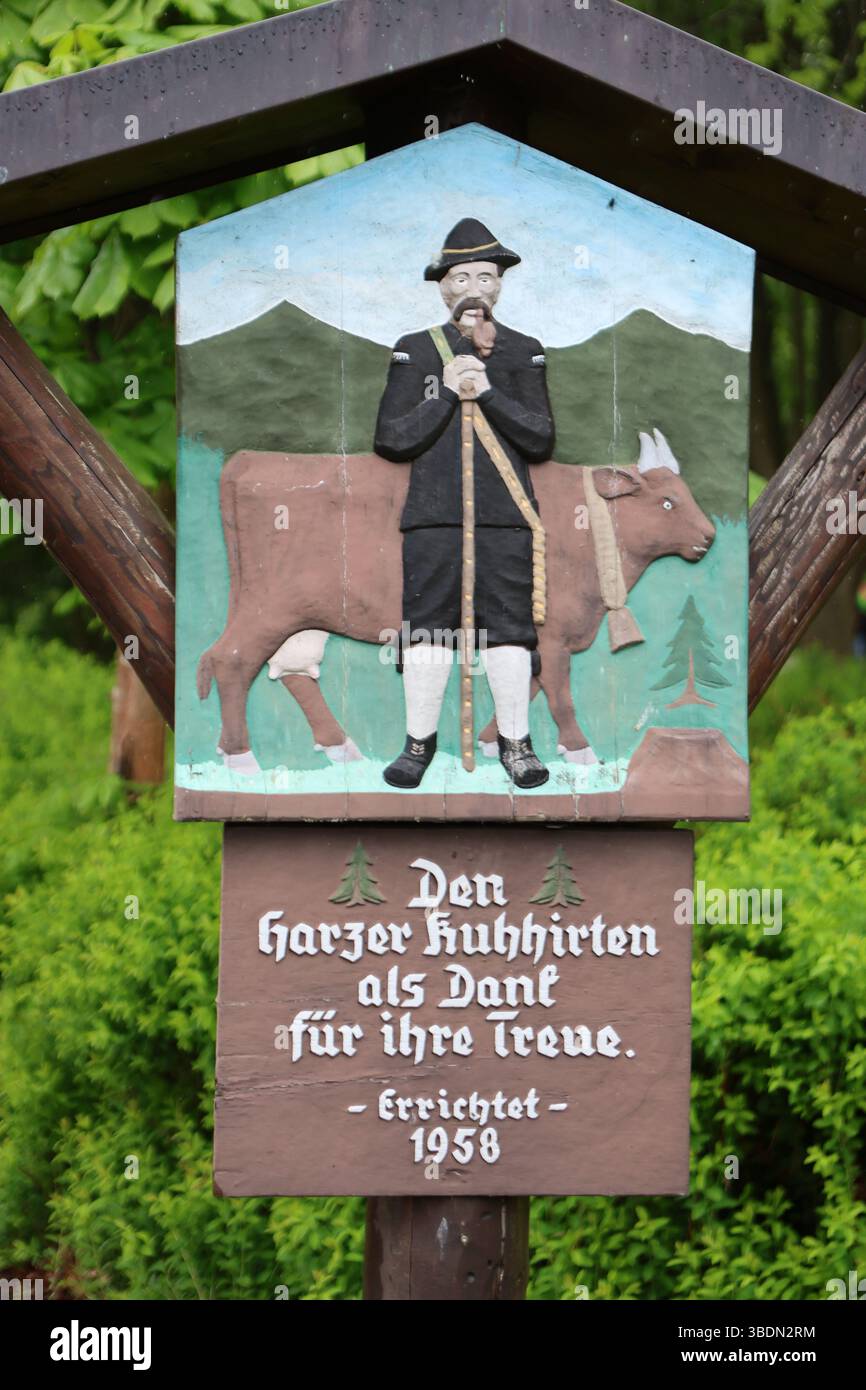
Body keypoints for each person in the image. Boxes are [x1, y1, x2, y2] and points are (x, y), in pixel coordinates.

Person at [374, 217, 554, 789]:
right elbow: (393, 437)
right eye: (462, 276)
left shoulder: (524, 352)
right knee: (428, 627)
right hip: (434, 513)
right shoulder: (414, 351)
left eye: (486, 275)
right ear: (443, 286)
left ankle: (517, 744)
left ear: (500, 285)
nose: (475, 286)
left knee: (508, 628)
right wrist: (448, 391)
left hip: (505, 517)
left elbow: (540, 438)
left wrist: (490, 392)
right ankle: (418, 744)